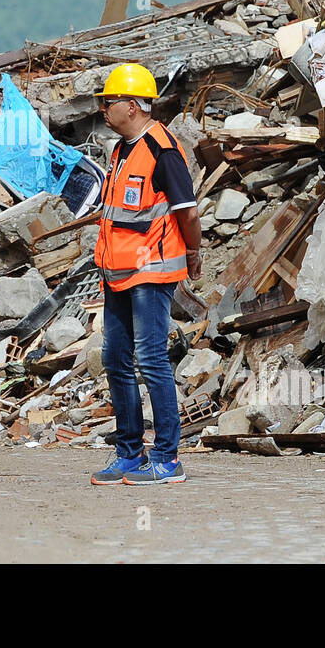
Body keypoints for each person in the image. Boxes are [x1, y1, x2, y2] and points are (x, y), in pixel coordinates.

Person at [90, 62, 202, 486]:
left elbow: (187, 212)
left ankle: (168, 459)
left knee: (151, 359)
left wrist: (193, 252)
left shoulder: (162, 150)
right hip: (116, 272)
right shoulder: (120, 149)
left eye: (109, 101)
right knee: (115, 359)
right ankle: (130, 453)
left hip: (150, 272)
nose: (103, 108)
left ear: (133, 106)